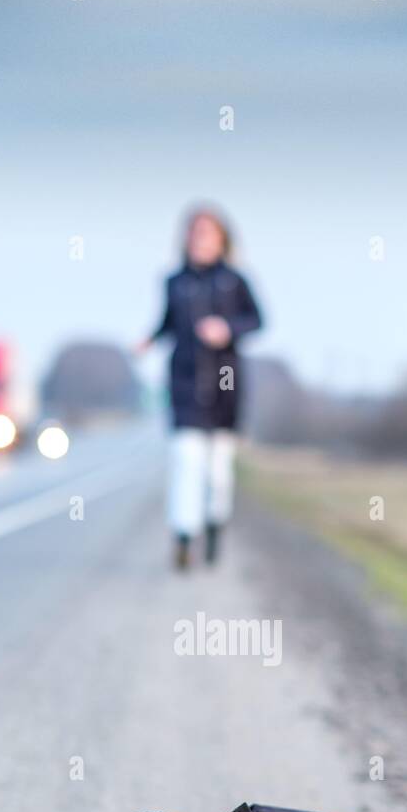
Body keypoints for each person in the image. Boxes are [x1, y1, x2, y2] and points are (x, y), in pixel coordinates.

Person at [138, 206, 263, 568]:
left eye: (208, 233)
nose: (200, 240)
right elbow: (168, 322)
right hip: (185, 381)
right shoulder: (174, 281)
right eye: (194, 233)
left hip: (225, 381)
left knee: (217, 471)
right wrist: (149, 340)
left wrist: (227, 329)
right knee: (186, 459)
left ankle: (214, 524)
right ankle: (183, 534)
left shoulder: (234, 281)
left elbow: (257, 320)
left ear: (222, 239)